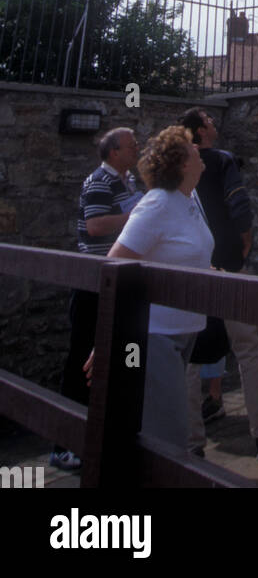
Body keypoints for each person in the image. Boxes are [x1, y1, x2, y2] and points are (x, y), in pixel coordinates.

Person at [91, 126, 215, 451]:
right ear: (181, 163)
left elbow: (186, 254)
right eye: (192, 147)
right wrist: (106, 338)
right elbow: (113, 265)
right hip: (155, 336)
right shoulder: (156, 204)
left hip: (186, 332)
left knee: (168, 431)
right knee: (168, 437)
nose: (198, 149)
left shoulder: (188, 201)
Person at [179, 109, 258, 461]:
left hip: (194, 272)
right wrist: (245, 238)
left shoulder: (179, 168)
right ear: (199, 131)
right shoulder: (222, 161)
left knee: (190, 356)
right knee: (248, 348)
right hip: (227, 267)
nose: (214, 123)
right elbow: (239, 204)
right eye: (209, 120)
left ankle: (192, 443)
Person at [49, 126, 140, 472]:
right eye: (131, 146)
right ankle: (64, 445)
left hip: (116, 283)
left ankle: (103, 436)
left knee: (115, 361)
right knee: (80, 362)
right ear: (114, 151)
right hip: (92, 285)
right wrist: (136, 217)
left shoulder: (127, 182)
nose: (137, 149)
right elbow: (95, 226)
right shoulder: (100, 180)